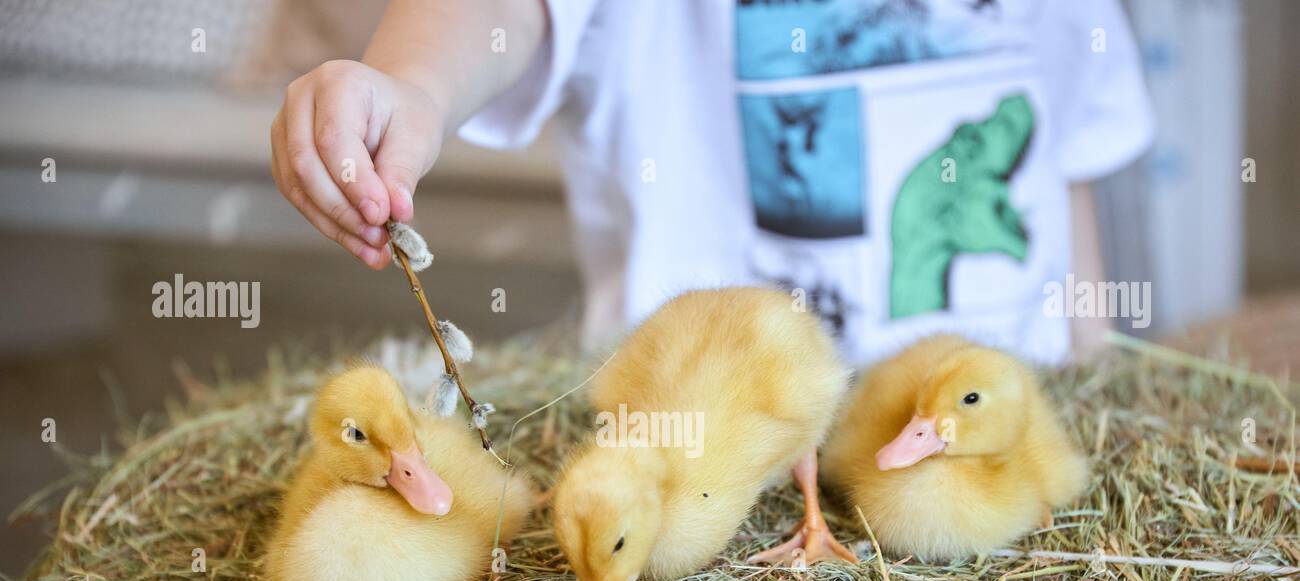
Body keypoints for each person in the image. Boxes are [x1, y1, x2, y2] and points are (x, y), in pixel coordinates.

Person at [270, 0, 1153, 364]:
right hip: (695, 449)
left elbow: (1062, 176)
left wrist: (1096, 366)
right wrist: (410, 85)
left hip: (994, 443)